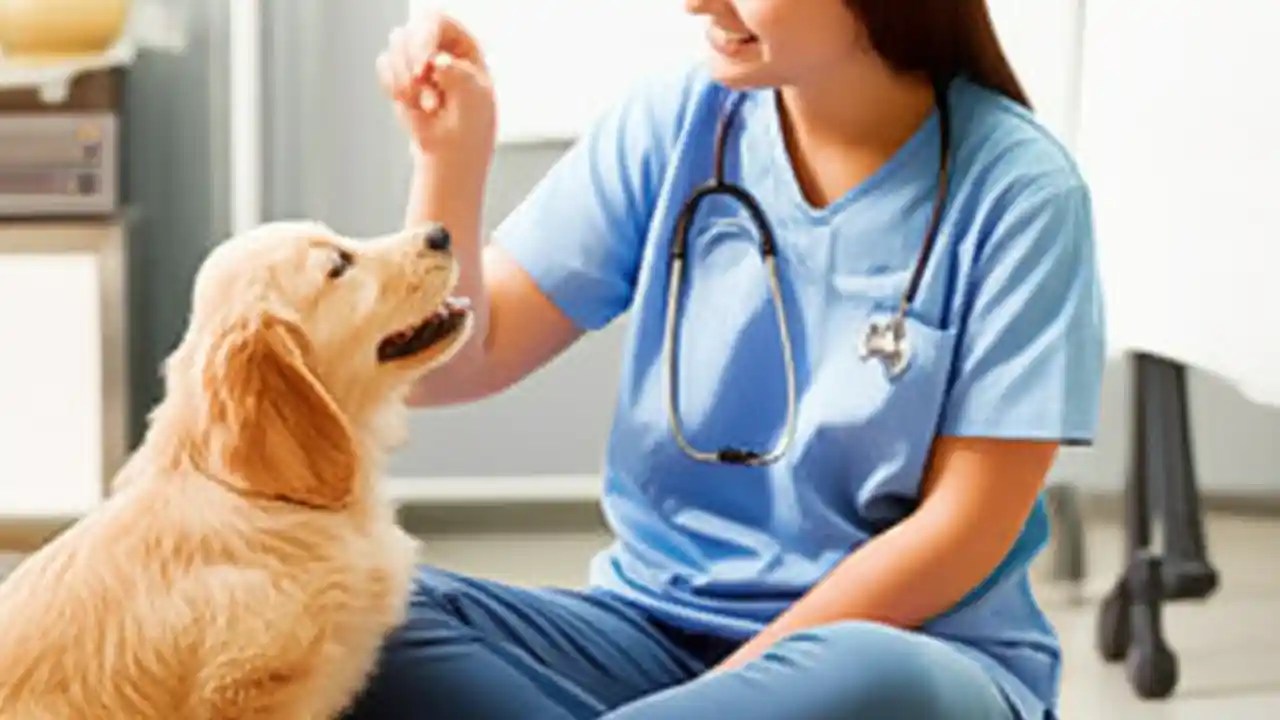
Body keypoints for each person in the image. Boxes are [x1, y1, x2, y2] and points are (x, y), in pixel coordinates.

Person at [354, 0, 1105, 718]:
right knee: (344, 613)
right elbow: (449, 367)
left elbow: (963, 531)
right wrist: (449, 157)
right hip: (648, 635)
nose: (697, 3)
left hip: (895, 653)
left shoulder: (1021, 192)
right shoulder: (675, 123)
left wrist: (735, 692)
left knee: (873, 677)